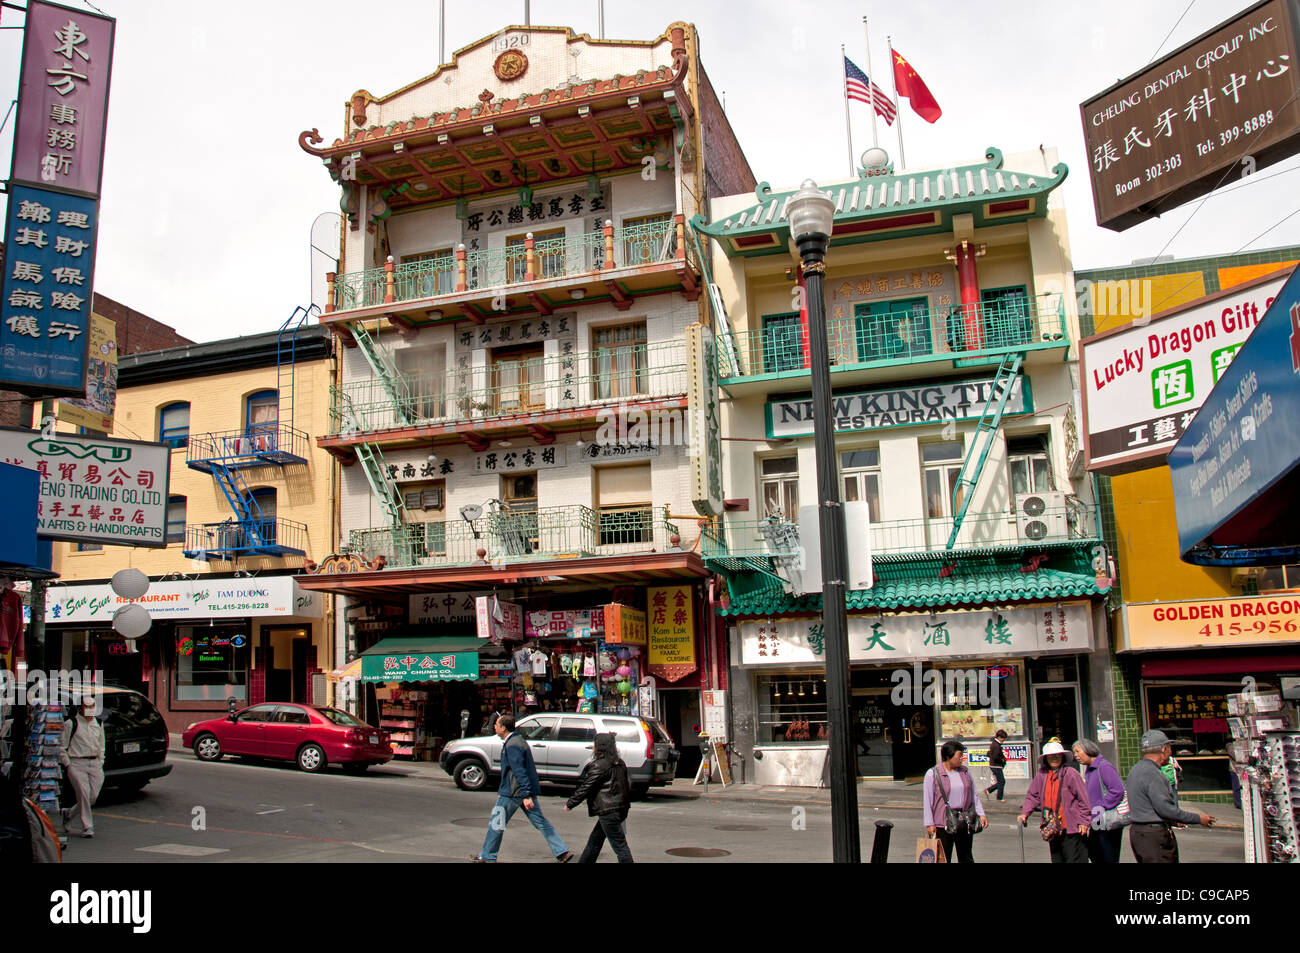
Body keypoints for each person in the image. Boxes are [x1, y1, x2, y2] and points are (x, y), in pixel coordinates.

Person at [472, 715, 573, 863]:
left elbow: (519, 771)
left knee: (496, 823)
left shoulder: (512, 744)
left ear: (504, 728)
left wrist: (525, 794)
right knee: (541, 822)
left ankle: (487, 857)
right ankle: (562, 852)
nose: (494, 727)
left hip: (512, 793)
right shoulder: (518, 741)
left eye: (497, 725)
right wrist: (527, 794)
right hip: (523, 792)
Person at [1125, 730, 1214, 863]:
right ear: (1163, 749)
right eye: (1169, 747)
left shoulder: (1136, 769)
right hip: (1154, 836)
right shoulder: (1153, 774)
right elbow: (1166, 809)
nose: (1171, 752)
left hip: (1139, 833)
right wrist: (1198, 818)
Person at [1017, 740, 1091, 863]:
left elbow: (1084, 799)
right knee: (1057, 859)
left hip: (1071, 828)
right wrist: (1025, 813)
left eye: (1057, 755)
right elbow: (1032, 796)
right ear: (1046, 758)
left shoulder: (1071, 774)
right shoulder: (1042, 775)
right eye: (1051, 755)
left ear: (1062, 757)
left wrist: (1084, 821)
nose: (1054, 758)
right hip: (1052, 827)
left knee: (1074, 859)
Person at [564, 732, 633, 863]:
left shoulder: (599, 765)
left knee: (620, 847)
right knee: (595, 840)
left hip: (608, 811)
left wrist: (570, 803)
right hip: (621, 808)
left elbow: (587, 786)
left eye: (594, 744)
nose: (592, 747)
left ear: (600, 747)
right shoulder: (620, 763)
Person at [923, 740, 989, 863]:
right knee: (942, 858)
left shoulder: (965, 772)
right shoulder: (933, 774)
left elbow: (974, 794)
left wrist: (981, 813)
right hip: (943, 823)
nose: (962, 758)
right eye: (960, 755)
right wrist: (929, 823)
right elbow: (928, 801)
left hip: (965, 820)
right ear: (948, 756)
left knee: (966, 856)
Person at [58, 694, 105, 839]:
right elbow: (62, 747)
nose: (90, 710)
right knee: (84, 793)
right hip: (77, 762)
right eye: (87, 707)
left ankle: (69, 814)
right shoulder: (71, 723)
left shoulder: (98, 723)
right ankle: (87, 826)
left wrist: (101, 760)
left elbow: (101, 744)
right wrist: (68, 764)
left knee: (92, 796)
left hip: (94, 763)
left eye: (92, 707)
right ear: (80, 708)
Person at [1073, 738, 1125, 864]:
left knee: (1108, 856)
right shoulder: (1089, 769)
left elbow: (1117, 790)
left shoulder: (1104, 766)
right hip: (1097, 820)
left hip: (1107, 819)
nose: (1076, 756)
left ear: (1087, 750)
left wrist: (1100, 806)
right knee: (1095, 854)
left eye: (1078, 751)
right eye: (1074, 753)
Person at [985, 730, 1008, 801]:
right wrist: (1002, 761)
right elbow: (995, 757)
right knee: (1002, 781)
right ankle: (998, 797)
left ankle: (989, 791)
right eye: (1003, 738)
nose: (1003, 740)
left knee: (1001, 781)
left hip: (994, 765)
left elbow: (989, 754)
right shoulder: (996, 745)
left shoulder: (995, 744)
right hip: (996, 765)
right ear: (999, 737)